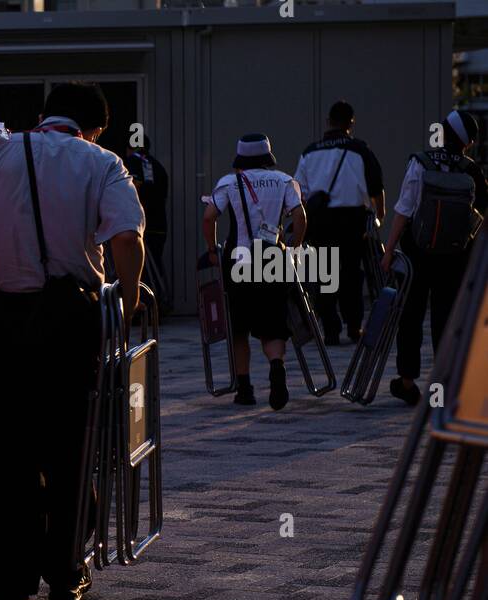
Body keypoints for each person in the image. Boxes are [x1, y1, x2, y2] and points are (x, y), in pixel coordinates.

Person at [0, 81, 145, 600]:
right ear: (93, 127)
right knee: (73, 444)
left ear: (45, 115)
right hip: (72, 321)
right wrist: (126, 302)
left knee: (10, 450)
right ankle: (67, 567)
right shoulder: (101, 162)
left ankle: (9, 593)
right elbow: (126, 239)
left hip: (3, 320)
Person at [383, 109, 488, 405]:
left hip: (418, 253)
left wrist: (389, 250)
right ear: (467, 143)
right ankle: (442, 388)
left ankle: (406, 382)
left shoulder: (421, 162)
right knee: (446, 318)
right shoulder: (471, 169)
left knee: (411, 315)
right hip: (455, 256)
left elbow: (405, 209)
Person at [202, 133, 307, 411]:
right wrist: (294, 248)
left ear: (241, 157)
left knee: (239, 326)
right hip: (273, 258)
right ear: (267, 156)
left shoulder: (228, 183)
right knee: (272, 322)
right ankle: (277, 369)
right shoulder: (285, 180)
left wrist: (212, 249)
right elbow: (300, 216)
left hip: (238, 259)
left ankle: (245, 388)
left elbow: (209, 216)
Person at [294, 101, 385, 345]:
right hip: (353, 219)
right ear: (351, 123)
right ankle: (354, 327)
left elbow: (299, 192)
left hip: (321, 220)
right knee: (352, 274)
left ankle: (331, 330)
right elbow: (376, 185)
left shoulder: (309, 151)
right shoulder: (359, 149)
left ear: (328, 121)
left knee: (325, 274)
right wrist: (380, 214)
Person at [125, 134, 169, 305]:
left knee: (138, 269)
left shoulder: (132, 163)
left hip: (140, 225)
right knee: (155, 266)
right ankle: (160, 305)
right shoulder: (159, 167)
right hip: (159, 225)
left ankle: (142, 308)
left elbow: (133, 191)